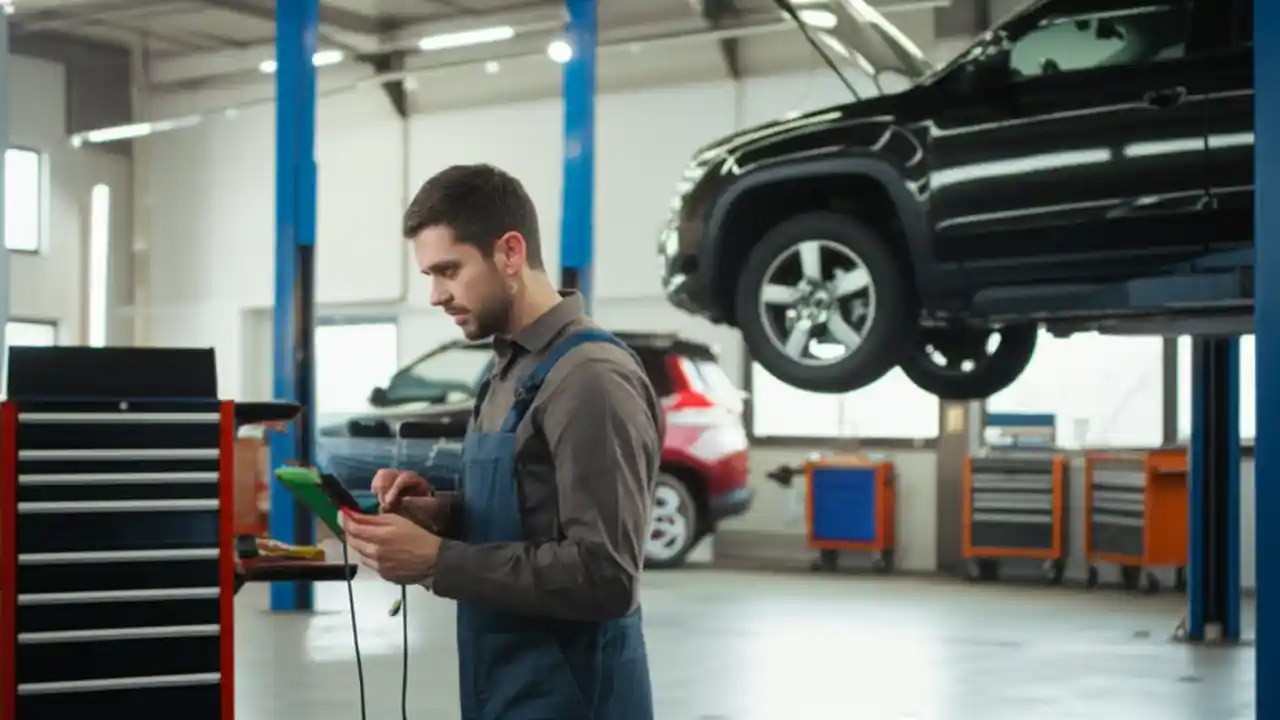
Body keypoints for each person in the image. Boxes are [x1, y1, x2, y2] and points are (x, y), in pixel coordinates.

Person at [339, 163, 662, 720]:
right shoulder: (504, 372)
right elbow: (531, 513)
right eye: (429, 276)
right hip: (505, 688)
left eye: (449, 270)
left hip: (575, 698)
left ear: (510, 253)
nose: (437, 295)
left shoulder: (589, 379)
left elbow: (606, 577)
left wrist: (439, 561)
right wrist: (438, 515)